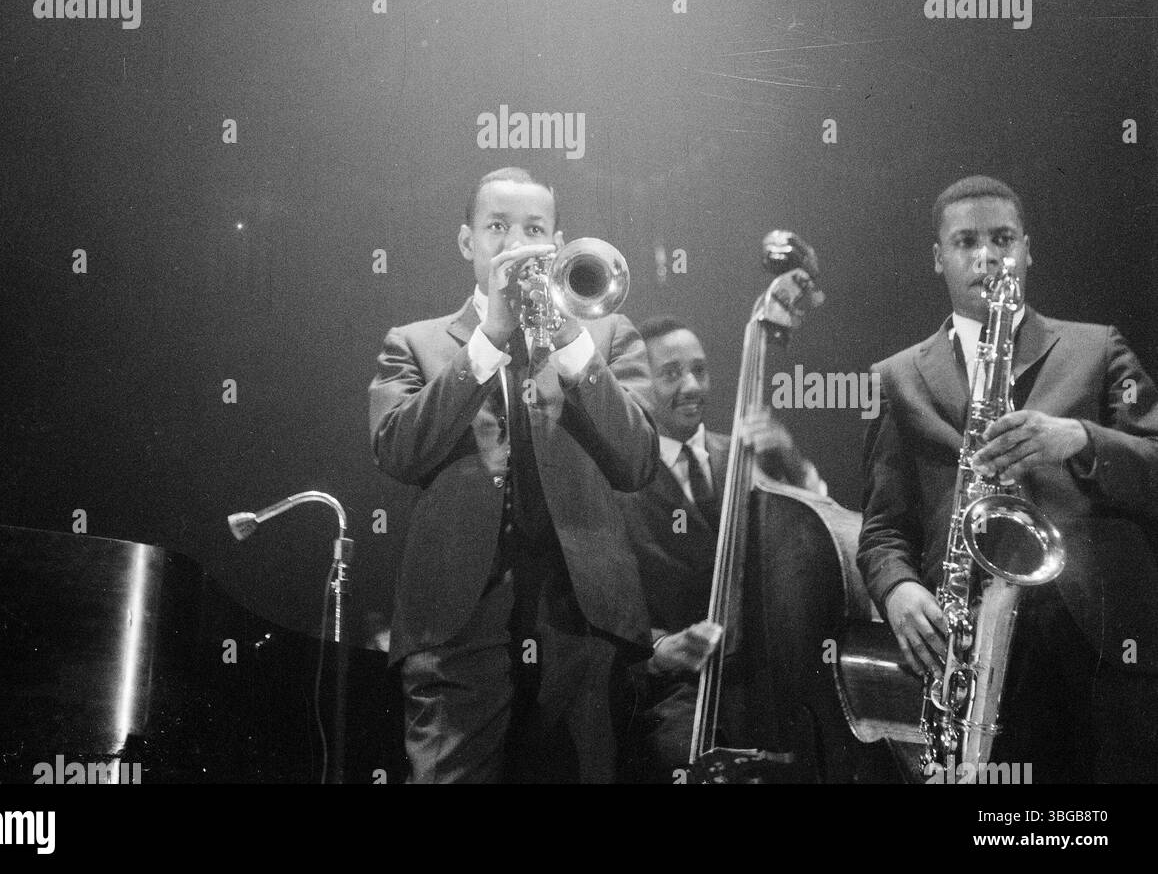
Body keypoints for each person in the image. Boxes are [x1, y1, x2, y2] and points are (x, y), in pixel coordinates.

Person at [858, 175, 1158, 782]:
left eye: (1003, 239)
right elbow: (884, 527)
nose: (988, 256)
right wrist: (896, 589)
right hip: (971, 652)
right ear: (938, 257)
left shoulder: (1096, 349)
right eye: (966, 242)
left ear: (1028, 249)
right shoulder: (897, 378)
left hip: (1093, 645)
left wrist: (1081, 438)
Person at [368, 167, 658, 783]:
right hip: (455, 627)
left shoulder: (604, 337)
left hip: (584, 622)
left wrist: (573, 342)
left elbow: (637, 462)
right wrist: (490, 339)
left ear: (557, 244)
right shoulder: (414, 343)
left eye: (534, 229)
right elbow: (397, 450)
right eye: (498, 227)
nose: (517, 245)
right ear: (467, 242)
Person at [618, 315, 827, 782]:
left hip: (767, 685)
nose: (692, 386)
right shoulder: (616, 484)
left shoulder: (744, 456)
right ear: (634, 386)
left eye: (700, 370)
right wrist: (657, 650)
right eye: (671, 373)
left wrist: (793, 462)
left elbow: (826, 533)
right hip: (676, 699)